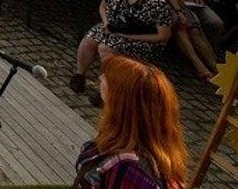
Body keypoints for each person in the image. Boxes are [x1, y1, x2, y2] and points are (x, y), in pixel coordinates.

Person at [74, 56, 187, 188]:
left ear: (122, 101)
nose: (100, 78)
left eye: (109, 79)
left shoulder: (127, 168)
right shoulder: (126, 138)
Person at [72, 0, 175, 105]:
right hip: (116, 28)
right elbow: (103, 5)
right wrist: (106, 22)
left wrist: (128, 36)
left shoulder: (157, 3)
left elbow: (163, 35)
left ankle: (110, 91)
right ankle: (80, 75)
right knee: (90, 39)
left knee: (105, 48)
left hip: (143, 39)